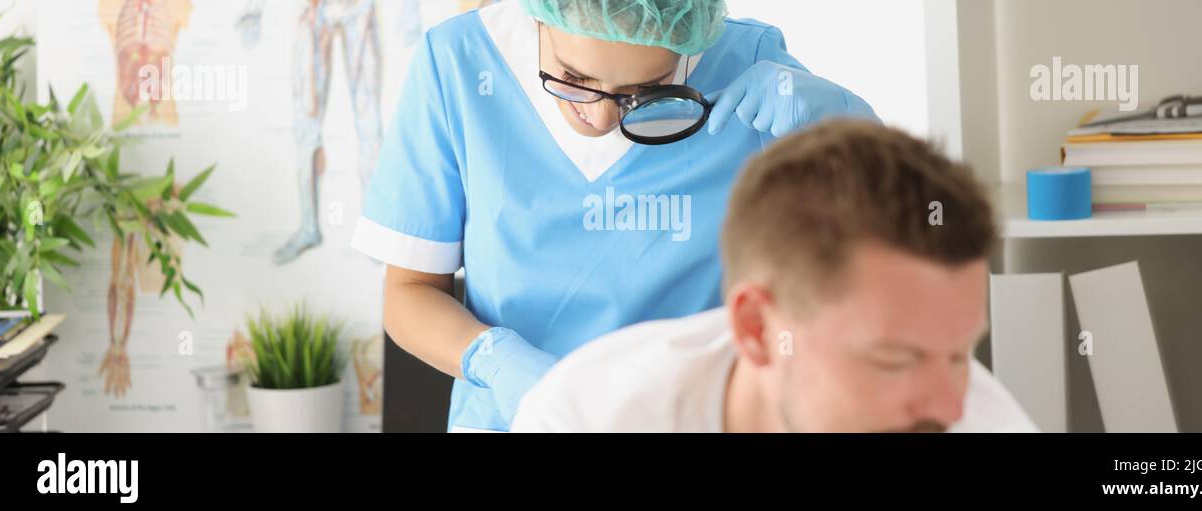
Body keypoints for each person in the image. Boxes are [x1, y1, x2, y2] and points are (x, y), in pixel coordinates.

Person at [351, 0, 879, 431]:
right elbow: (410, 293)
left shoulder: (749, 63)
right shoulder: (459, 65)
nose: (601, 118)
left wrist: (855, 131)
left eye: (644, 94)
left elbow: (903, 236)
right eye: (573, 78)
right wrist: (494, 360)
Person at [512, 120, 1038, 433]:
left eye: (959, 354)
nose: (948, 405)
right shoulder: (593, 415)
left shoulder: (986, 422)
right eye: (895, 359)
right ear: (758, 329)